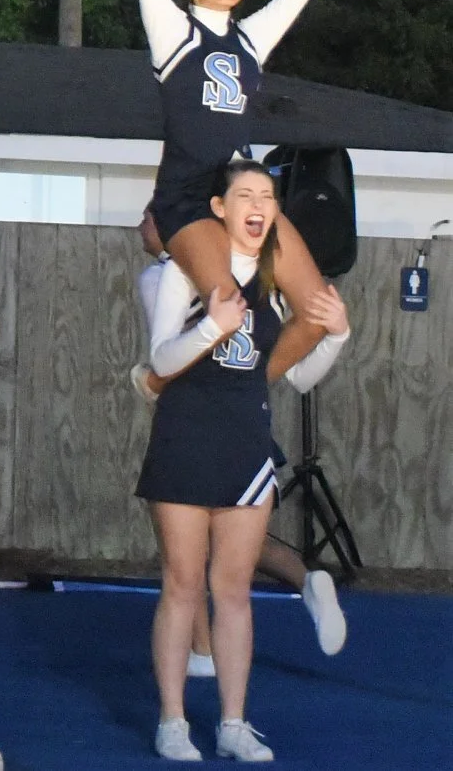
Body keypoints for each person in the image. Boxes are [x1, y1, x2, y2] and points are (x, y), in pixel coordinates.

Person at [70, 0, 418, 379]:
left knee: (318, 313)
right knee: (230, 312)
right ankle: (162, 380)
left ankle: (247, 397)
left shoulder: (253, 38)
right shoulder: (174, 34)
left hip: (244, 196)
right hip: (189, 197)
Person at [140, 162, 350, 763]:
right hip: (184, 437)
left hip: (246, 444)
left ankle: (234, 722)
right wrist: (212, 325)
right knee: (182, 586)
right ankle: (173, 721)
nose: (259, 205)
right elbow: (159, 363)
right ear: (219, 208)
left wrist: (333, 337)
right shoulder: (182, 272)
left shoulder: (272, 287)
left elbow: (294, 376)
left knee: (232, 590)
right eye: (245, 195)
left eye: (268, 197)